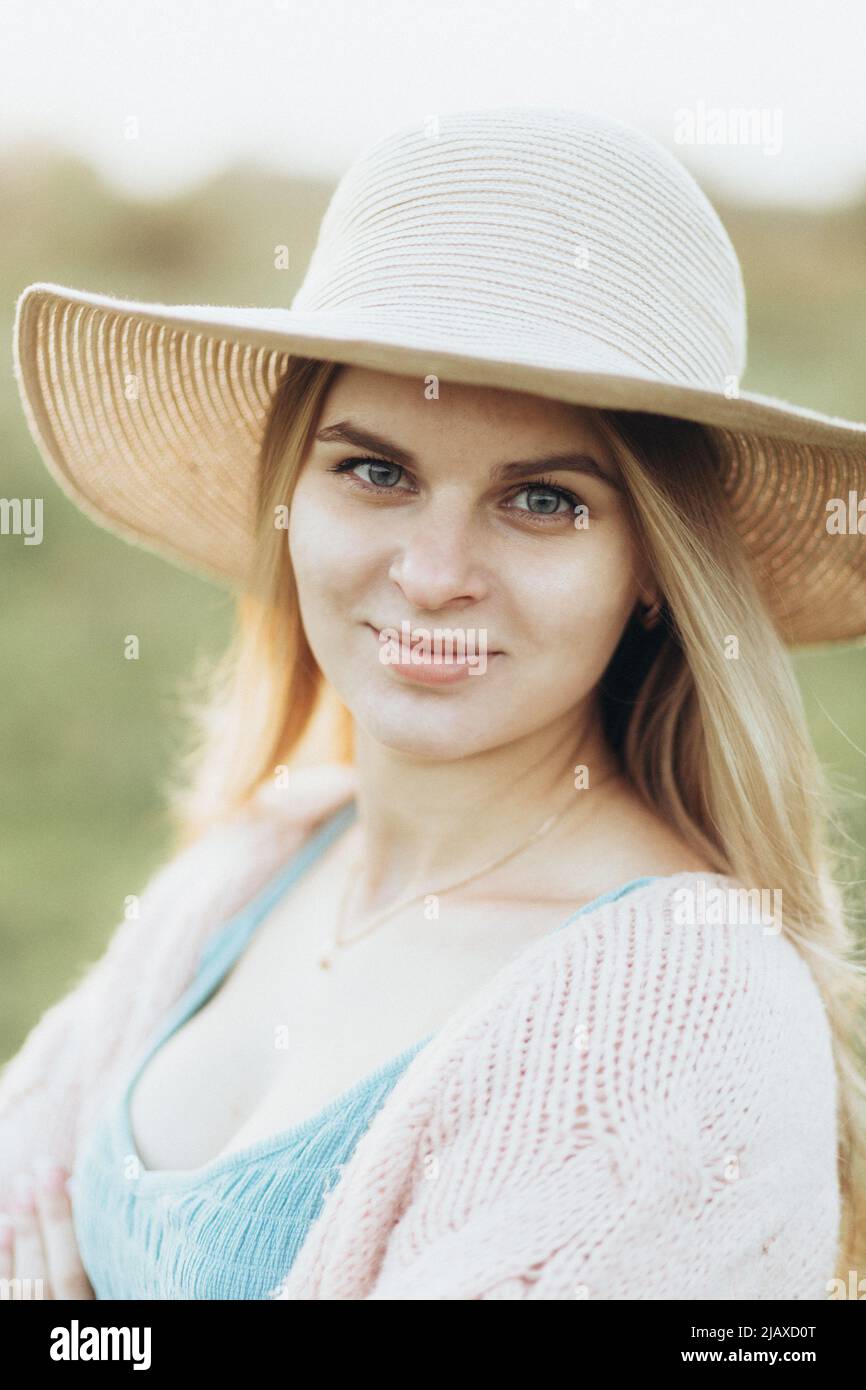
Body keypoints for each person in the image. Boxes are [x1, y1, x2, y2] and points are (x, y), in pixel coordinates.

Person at [2, 106, 865, 1300]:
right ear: (289, 500)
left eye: (544, 501)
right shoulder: (262, 860)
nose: (431, 570)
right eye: (375, 470)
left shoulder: (684, 1024)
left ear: (656, 572)